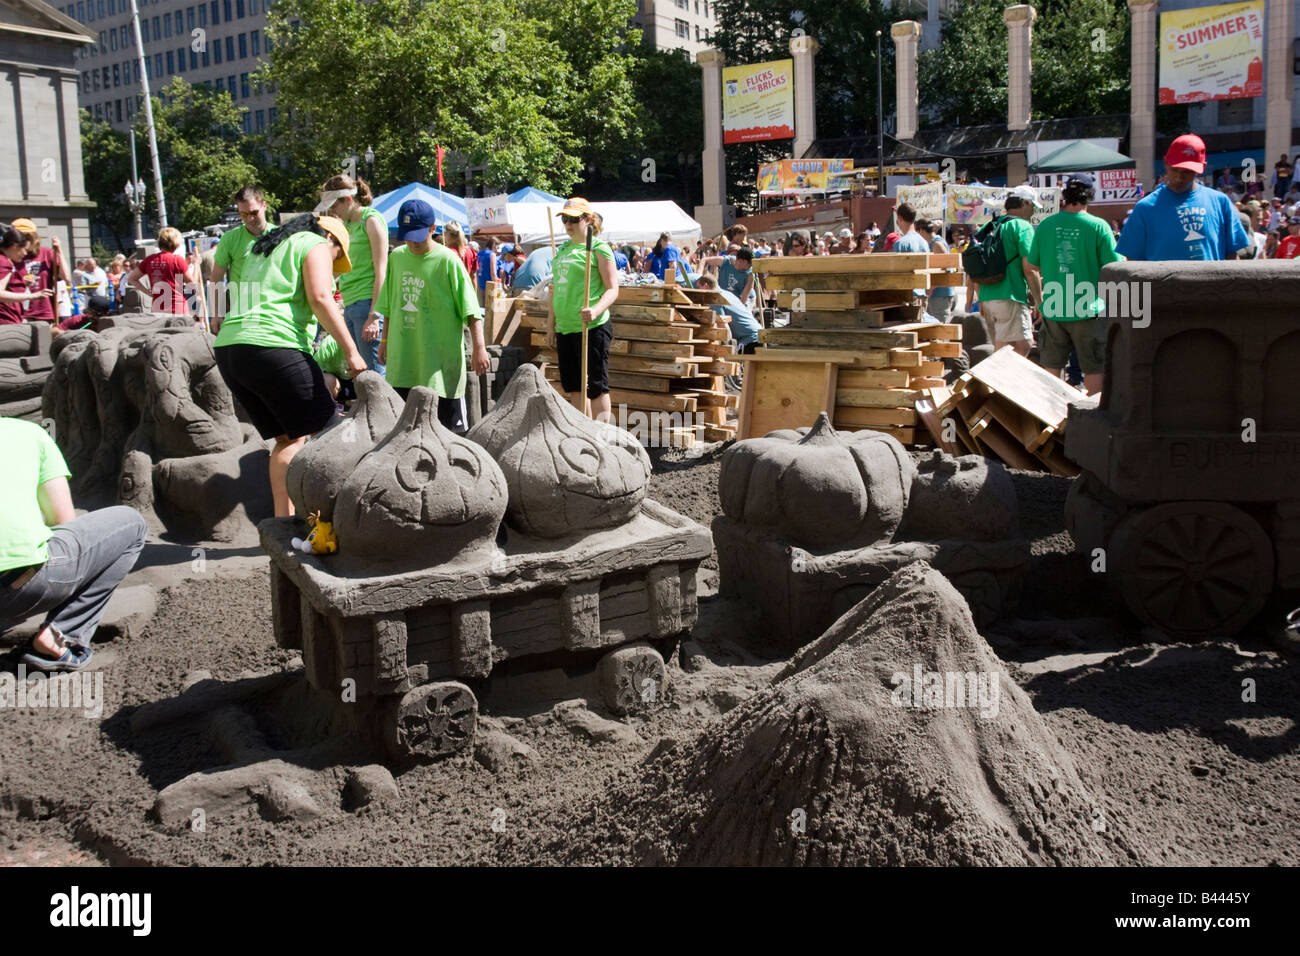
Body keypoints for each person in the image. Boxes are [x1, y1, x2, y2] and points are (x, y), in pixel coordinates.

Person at [212, 214, 367, 517]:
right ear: (331, 240)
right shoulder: (315, 243)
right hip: (273, 345)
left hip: (232, 349)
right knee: (330, 433)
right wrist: (352, 352)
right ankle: (337, 518)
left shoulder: (267, 248)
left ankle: (284, 525)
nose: (334, 269)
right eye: (337, 259)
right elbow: (321, 297)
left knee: (288, 439)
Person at [0, 416, 147, 672]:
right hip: (24, 584)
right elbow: (64, 523)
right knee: (132, 524)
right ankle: (62, 635)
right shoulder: (28, 433)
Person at [376, 200, 489, 431]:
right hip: (403, 364)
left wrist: (479, 347)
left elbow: (471, 311)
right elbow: (389, 304)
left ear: (432, 228)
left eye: (418, 235)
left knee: (448, 436)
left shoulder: (448, 260)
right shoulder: (397, 257)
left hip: (440, 368)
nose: (412, 242)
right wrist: (385, 340)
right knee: (405, 434)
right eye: (407, 235)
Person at [1026, 173, 1121, 396]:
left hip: (1054, 308)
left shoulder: (1046, 225)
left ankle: (1048, 420)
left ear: (1065, 196)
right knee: (1094, 368)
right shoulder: (1099, 226)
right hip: (1088, 309)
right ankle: (1094, 420)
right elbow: (1114, 266)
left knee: (1051, 368)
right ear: (1090, 196)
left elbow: (1032, 265)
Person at [1117, 134, 1252, 261]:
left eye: (1187, 172)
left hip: (1211, 285)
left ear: (1202, 168)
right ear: (1165, 163)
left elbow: (1233, 255)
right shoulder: (1144, 207)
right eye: (1174, 169)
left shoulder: (1221, 202)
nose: (1179, 177)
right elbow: (1132, 261)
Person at [549, 197, 619, 421]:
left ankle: (604, 439)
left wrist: (596, 310)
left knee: (596, 386)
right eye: (565, 220)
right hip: (565, 326)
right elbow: (555, 291)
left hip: (592, 326)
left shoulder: (599, 248)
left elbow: (613, 289)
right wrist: (550, 326)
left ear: (588, 219)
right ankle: (584, 435)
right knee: (575, 387)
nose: (568, 225)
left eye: (573, 219)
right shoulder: (563, 249)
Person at [317, 175, 388, 373]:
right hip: (349, 305)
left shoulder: (371, 220)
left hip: (367, 305)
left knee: (373, 375)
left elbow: (382, 270)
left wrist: (374, 315)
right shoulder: (346, 226)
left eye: (334, 206)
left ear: (348, 200)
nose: (332, 211)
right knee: (357, 371)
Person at [978, 184, 1043, 357]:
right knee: (1021, 345)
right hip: (1010, 294)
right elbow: (1030, 269)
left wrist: (979, 298)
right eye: (1033, 206)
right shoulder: (1022, 226)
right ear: (1024, 203)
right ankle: (1001, 383)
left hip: (987, 297)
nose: (1034, 212)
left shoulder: (989, 225)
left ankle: (996, 383)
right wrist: (1039, 301)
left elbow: (974, 264)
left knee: (1004, 348)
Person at [211, 185, 271, 331]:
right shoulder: (229, 239)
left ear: (264, 205)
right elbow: (216, 278)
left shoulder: (280, 236)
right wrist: (216, 314)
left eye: (254, 212)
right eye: (243, 214)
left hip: (274, 314)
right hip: (243, 316)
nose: (249, 218)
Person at [128, 227, 197, 316]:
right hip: (177, 308)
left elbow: (132, 279)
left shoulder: (150, 260)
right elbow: (192, 283)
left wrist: (149, 294)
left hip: (158, 309)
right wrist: (196, 264)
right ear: (176, 243)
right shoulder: (177, 260)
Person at [11, 218, 68, 324]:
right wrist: (20, 281)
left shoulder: (46, 253)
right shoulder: (10, 255)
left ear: (31, 237)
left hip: (42, 312)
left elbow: (65, 277)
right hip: (17, 313)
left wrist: (59, 250)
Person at [0, 225, 55, 323]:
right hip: (5, 320)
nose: (26, 253)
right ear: (15, 246)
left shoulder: (5, 260)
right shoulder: (3, 262)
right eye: (25, 249)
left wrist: (21, 282)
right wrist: (35, 295)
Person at [694, 274, 761, 353]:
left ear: (706, 285)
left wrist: (727, 350)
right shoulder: (727, 294)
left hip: (750, 340)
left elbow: (723, 325)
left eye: (698, 288)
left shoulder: (715, 299)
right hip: (759, 334)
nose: (698, 291)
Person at [917, 219, 957, 323]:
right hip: (936, 293)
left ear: (921, 231)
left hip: (940, 294)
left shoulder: (936, 244)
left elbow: (947, 267)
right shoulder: (933, 243)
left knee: (940, 327)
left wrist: (932, 288)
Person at [476, 236, 500, 304]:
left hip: (480, 285)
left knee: (481, 310)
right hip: (490, 286)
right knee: (491, 310)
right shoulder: (492, 255)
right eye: (497, 247)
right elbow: (493, 273)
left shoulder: (479, 254)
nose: (497, 249)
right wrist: (498, 286)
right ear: (494, 245)